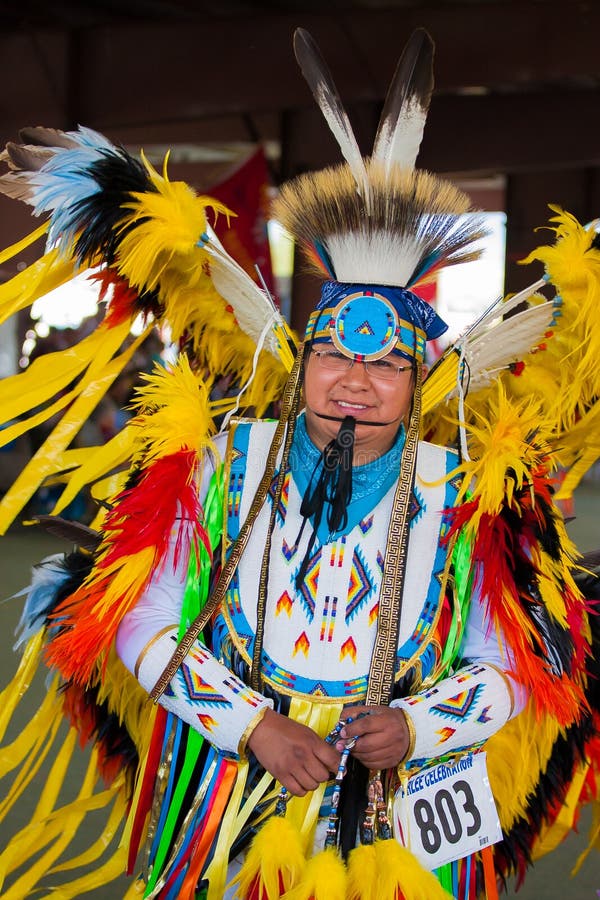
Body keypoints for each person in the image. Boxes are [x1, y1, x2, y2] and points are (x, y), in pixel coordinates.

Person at [0, 25, 597, 900]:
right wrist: (252, 727)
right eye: (336, 359)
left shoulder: (470, 492)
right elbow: (141, 618)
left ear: (419, 380)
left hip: (403, 799)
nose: (357, 382)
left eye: (388, 365)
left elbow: (514, 664)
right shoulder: (223, 469)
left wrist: (420, 726)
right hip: (239, 782)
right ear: (301, 358)